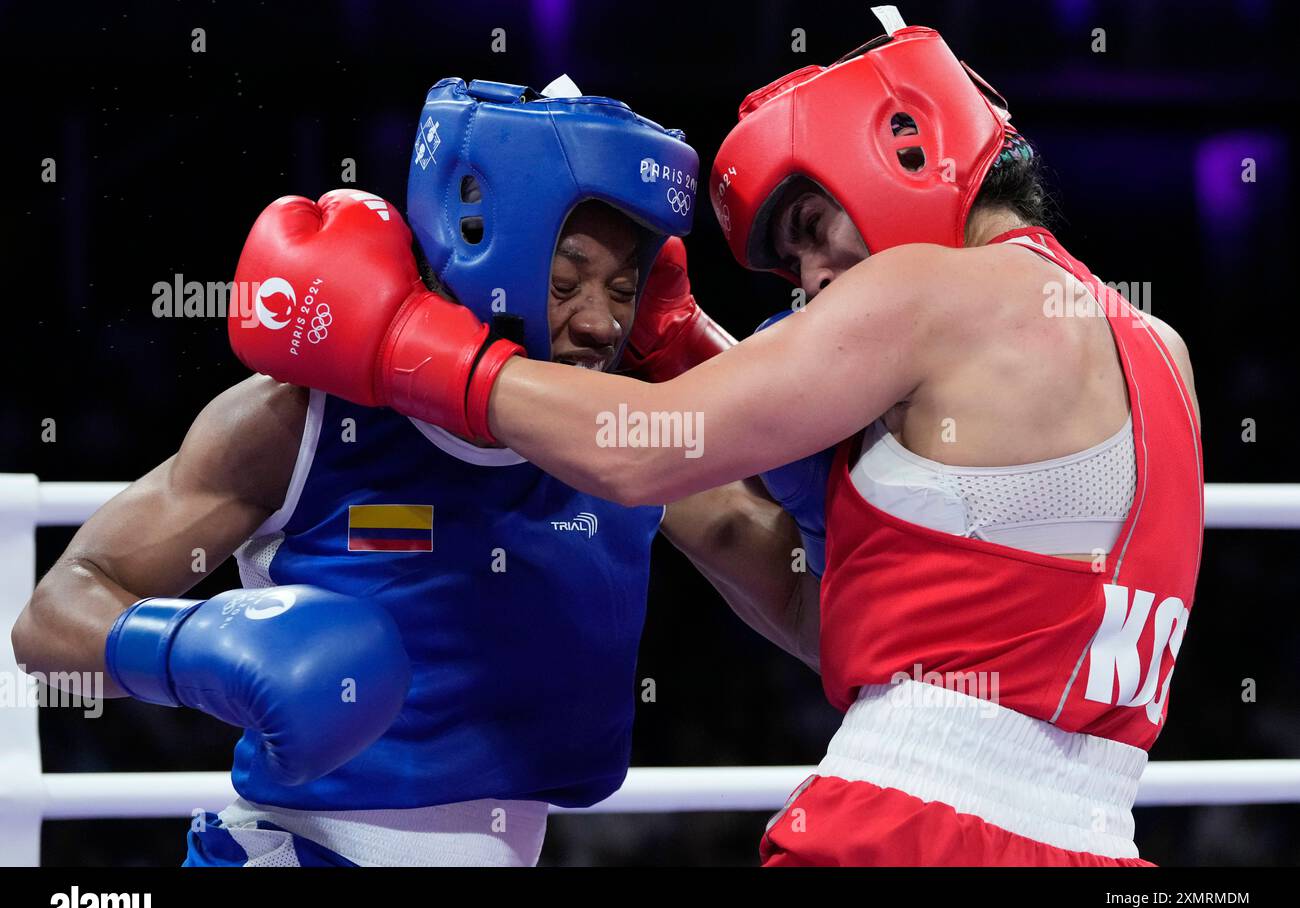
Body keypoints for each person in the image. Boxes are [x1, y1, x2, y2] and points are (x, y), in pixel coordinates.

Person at [230, 9, 1203, 866]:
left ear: (904, 143)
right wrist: (695, 352)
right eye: (795, 258)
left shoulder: (929, 291)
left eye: (814, 227)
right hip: (1091, 831)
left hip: (909, 816)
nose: (814, 277)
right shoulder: (1157, 351)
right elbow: (847, 617)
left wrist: (404, 342)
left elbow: (635, 447)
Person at [11, 76, 811, 866]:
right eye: (564, 284)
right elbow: (50, 619)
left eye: (626, 289)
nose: (600, 322)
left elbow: (811, 613)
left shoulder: (636, 441)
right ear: (480, 248)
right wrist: (191, 650)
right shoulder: (305, 417)